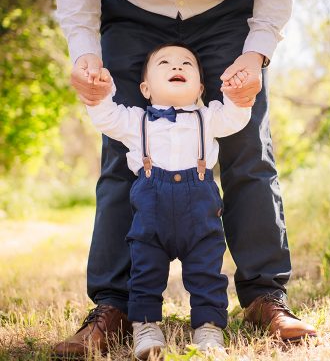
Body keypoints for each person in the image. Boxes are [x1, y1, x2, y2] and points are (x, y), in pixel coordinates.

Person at [53, 0, 317, 357]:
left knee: (248, 152)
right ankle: (114, 305)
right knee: (122, 158)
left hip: (227, 13)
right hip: (132, 13)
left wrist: (256, 52)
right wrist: (84, 53)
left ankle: (265, 297)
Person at [85, 43, 249, 358]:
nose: (177, 66)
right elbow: (106, 118)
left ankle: (209, 328)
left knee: (207, 272)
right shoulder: (135, 120)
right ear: (145, 88)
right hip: (151, 212)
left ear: (200, 87)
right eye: (165, 62)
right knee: (144, 270)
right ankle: (145, 327)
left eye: (187, 63)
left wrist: (237, 94)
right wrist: (100, 94)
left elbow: (236, 118)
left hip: (199, 212)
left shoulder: (208, 116)